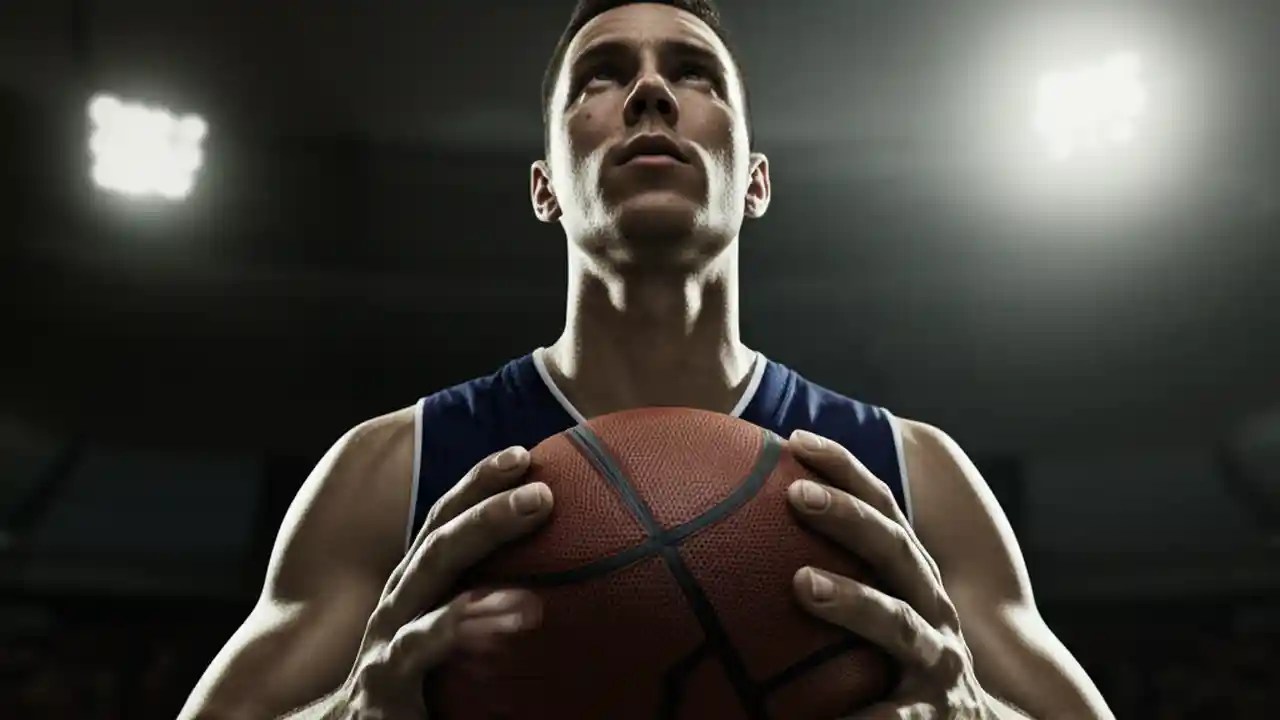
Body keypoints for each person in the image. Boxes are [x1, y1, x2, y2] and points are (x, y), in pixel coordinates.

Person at [179, 1, 1116, 718]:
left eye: (695, 73)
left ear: (756, 181)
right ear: (545, 187)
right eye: (601, 77)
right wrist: (350, 714)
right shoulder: (394, 468)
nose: (650, 94)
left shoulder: (911, 472)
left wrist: (971, 709)